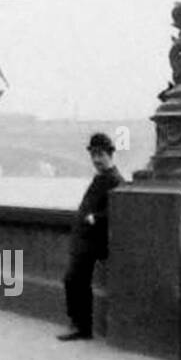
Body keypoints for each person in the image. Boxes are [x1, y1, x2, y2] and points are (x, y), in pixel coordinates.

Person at [59, 132, 124, 341]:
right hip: (84, 241)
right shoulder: (103, 177)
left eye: (100, 155)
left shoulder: (115, 179)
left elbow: (117, 211)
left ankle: (81, 327)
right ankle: (80, 325)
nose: (96, 160)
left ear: (110, 154)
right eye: (93, 155)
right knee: (76, 281)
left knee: (74, 280)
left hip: (92, 242)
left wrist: (93, 218)